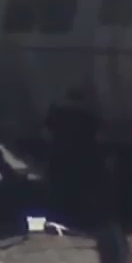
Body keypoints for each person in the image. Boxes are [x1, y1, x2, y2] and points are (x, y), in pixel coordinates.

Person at [44, 87, 99, 220]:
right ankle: (78, 217)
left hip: (58, 155)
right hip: (78, 158)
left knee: (58, 189)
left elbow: (45, 132)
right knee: (78, 189)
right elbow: (95, 137)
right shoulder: (87, 116)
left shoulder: (57, 113)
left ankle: (57, 216)